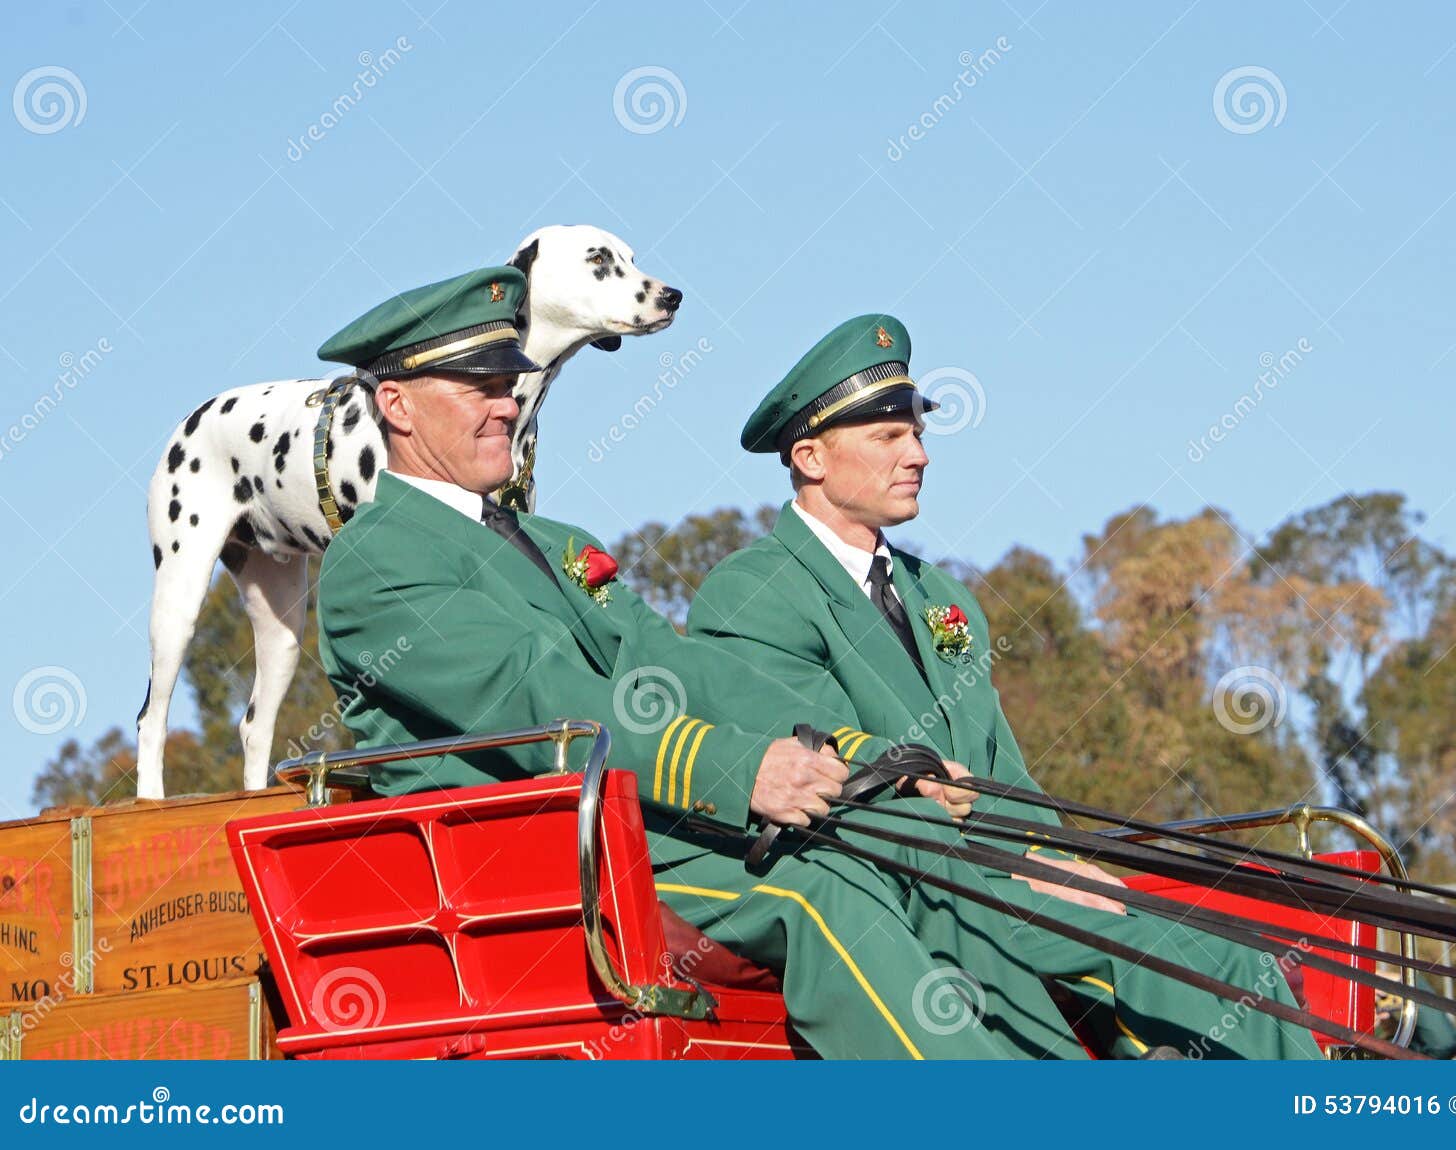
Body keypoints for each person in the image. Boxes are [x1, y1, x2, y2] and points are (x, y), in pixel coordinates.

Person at [314, 275, 1314, 1059]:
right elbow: (547, 698)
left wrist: (867, 752)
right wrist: (737, 772)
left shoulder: (554, 536)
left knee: (895, 832)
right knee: (820, 890)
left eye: (509, 382)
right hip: (531, 861)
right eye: (477, 385)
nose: (505, 404)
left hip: (627, 824)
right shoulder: (378, 557)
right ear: (396, 404)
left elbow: (671, 666)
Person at [685, 313, 1321, 1060]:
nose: (918, 453)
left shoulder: (942, 595)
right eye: (888, 437)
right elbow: (836, 777)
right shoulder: (752, 591)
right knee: (1173, 974)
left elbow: (1002, 769)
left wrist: (1060, 858)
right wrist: (1029, 874)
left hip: (995, 873)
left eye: (917, 433)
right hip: (907, 886)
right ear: (811, 457)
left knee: (1233, 957)